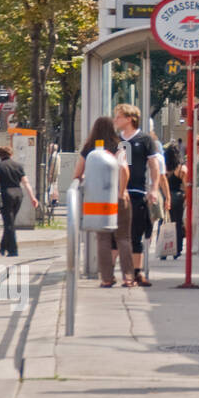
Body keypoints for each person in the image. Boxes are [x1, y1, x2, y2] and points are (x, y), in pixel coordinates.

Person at [72, 117, 134, 287]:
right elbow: (124, 170)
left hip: (98, 200)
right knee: (124, 238)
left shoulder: (88, 148)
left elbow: (77, 173)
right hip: (118, 198)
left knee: (103, 239)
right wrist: (121, 192)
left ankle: (106, 278)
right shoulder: (120, 146)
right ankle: (128, 277)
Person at [114, 104, 162, 286]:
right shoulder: (116, 139)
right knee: (116, 235)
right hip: (117, 192)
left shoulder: (144, 139)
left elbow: (154, 166)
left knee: (136, 234)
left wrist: (154, 189)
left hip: (137, 192)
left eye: (118, 117)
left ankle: (137, 272)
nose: (115, 120)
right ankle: (116, 273)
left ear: (129, 119)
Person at [0, 146, 37, 257]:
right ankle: (3, 247)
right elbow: (26, 183)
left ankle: (13, 250)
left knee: (8, 223)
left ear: (0, 156)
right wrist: (32, 197)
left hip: (6, 195)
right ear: (11, 154)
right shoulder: (18, 166)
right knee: (10, 222)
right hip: (18, 195)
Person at [163, 143, 187, 260]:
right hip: (177, 197)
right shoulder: (181, 168)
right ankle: (177, 250)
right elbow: (186, 185)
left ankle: (163, 250)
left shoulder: (164, 167)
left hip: (166, 196)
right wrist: (186, 198)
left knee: (164, 223)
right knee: (177, 224)